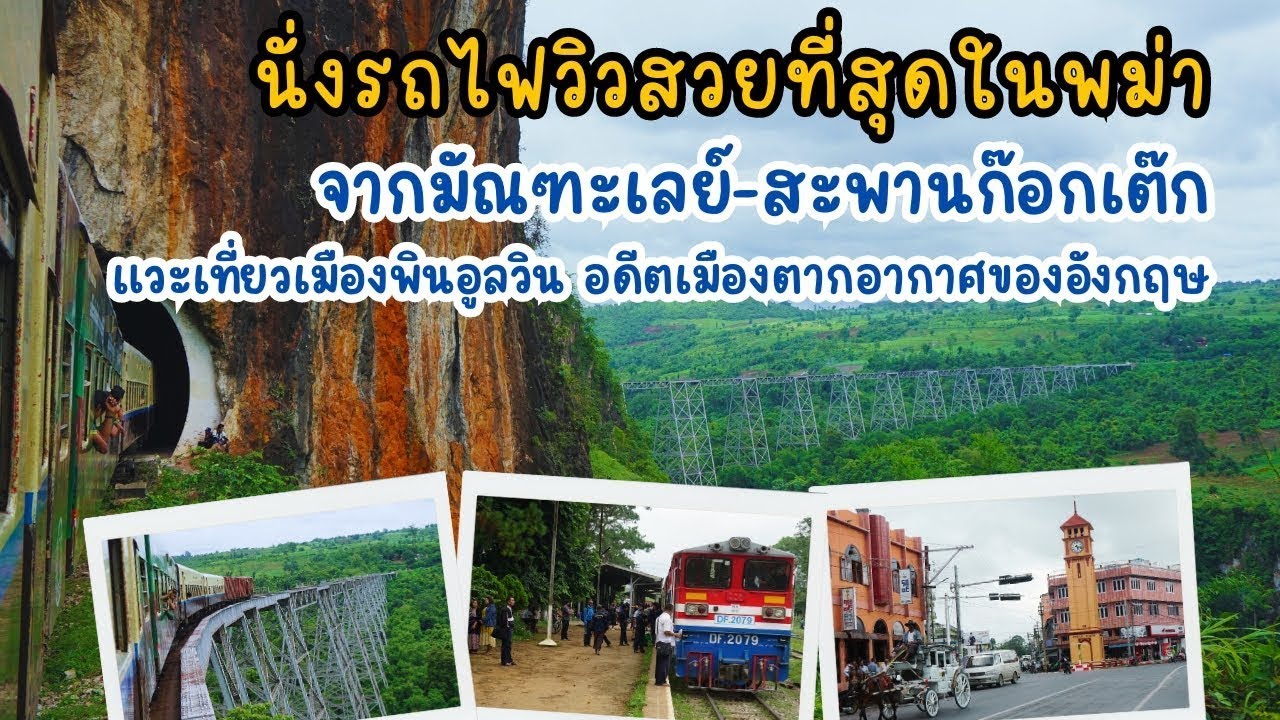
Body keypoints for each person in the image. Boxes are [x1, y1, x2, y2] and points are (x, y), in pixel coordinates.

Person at [654, 603, 681, 686]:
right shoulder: (667, 618)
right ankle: (661, 681)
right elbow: (666, 632)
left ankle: (658, 680)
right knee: (664, 663)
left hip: (659, 641)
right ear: (671, 610)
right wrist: (676, 634)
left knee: (659, 662)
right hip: (665, 643)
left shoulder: (659, 617)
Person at [498, 596, 516, 666]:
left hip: (509, 629)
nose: (513, 601)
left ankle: (509, 660)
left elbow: (509, 619)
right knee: (505, 645)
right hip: (506, 630)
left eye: (513, 600)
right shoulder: (505, 609)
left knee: (508, 645)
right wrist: (507, 628)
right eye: (512, 600)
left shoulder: (509, 609)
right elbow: (505, 621)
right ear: (508, 602)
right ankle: (505, 661)